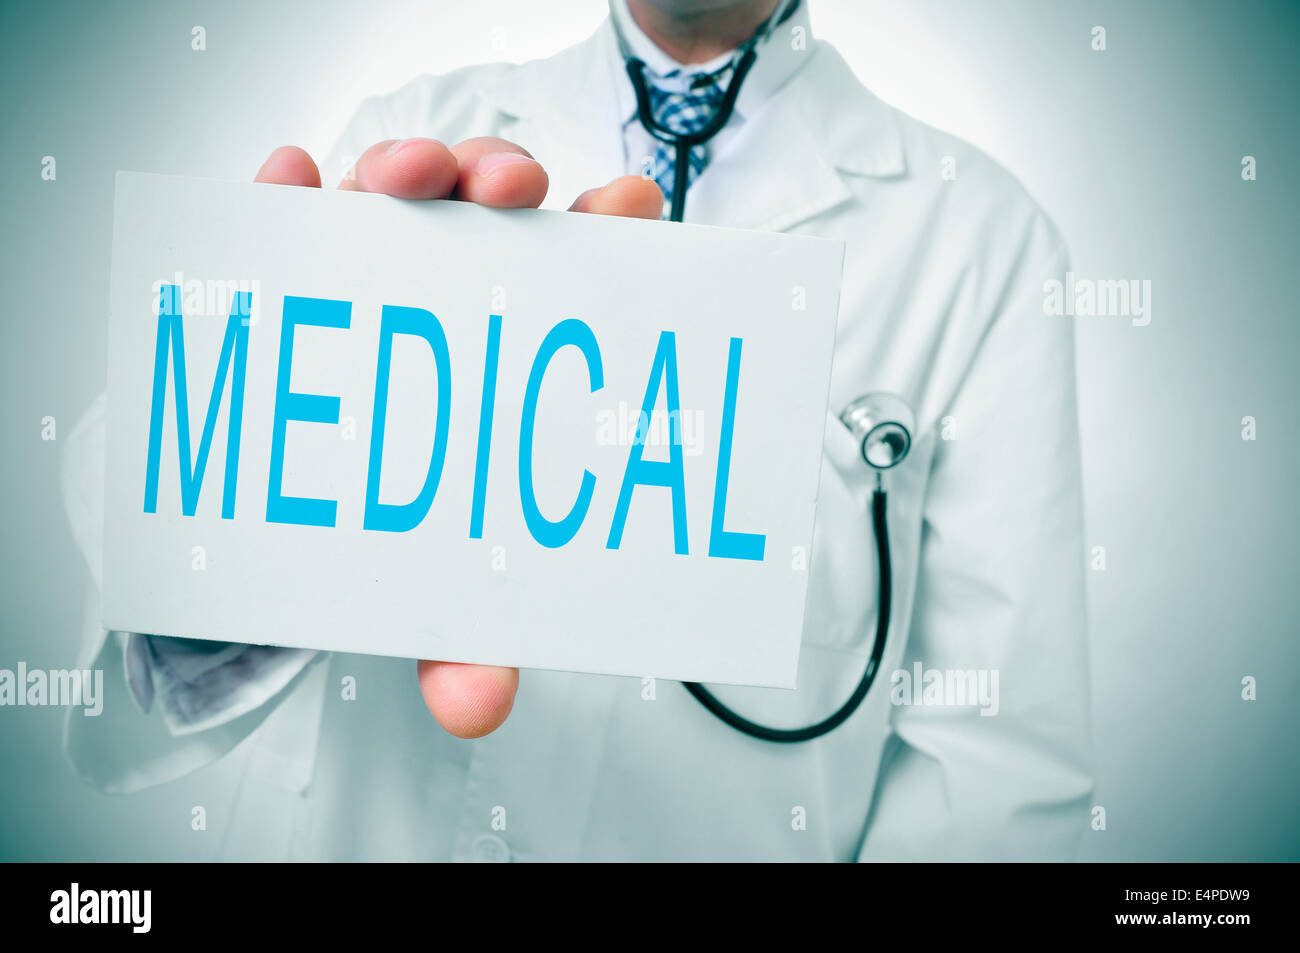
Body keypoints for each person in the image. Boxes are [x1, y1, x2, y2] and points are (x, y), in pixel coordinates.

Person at [60, 0, 1092, 861]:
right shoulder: (416, 129)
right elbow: (144, 496)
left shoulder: (978, 241)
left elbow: (994, 776)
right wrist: (219, 527)